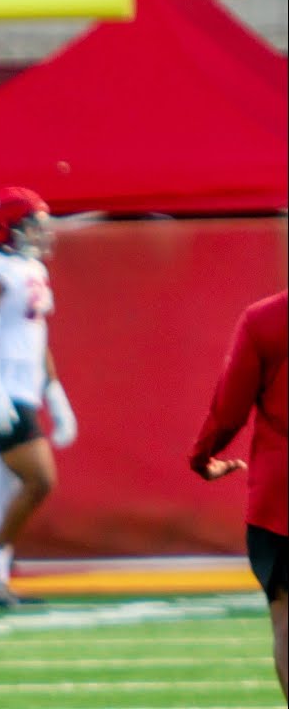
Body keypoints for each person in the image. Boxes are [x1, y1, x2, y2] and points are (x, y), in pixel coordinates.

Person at [0, 187, 77, 608]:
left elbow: (35, 335)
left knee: (4, 490)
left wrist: (54, 391)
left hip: (22, 388)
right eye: (31, 226)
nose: (41, 234)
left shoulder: (31, 269)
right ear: (5, 229)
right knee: (39, 480)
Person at [188, 289, 287, 699]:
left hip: (280, 499)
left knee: (286, 620)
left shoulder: (265, 319)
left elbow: (229, 409)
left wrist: (202, 455)